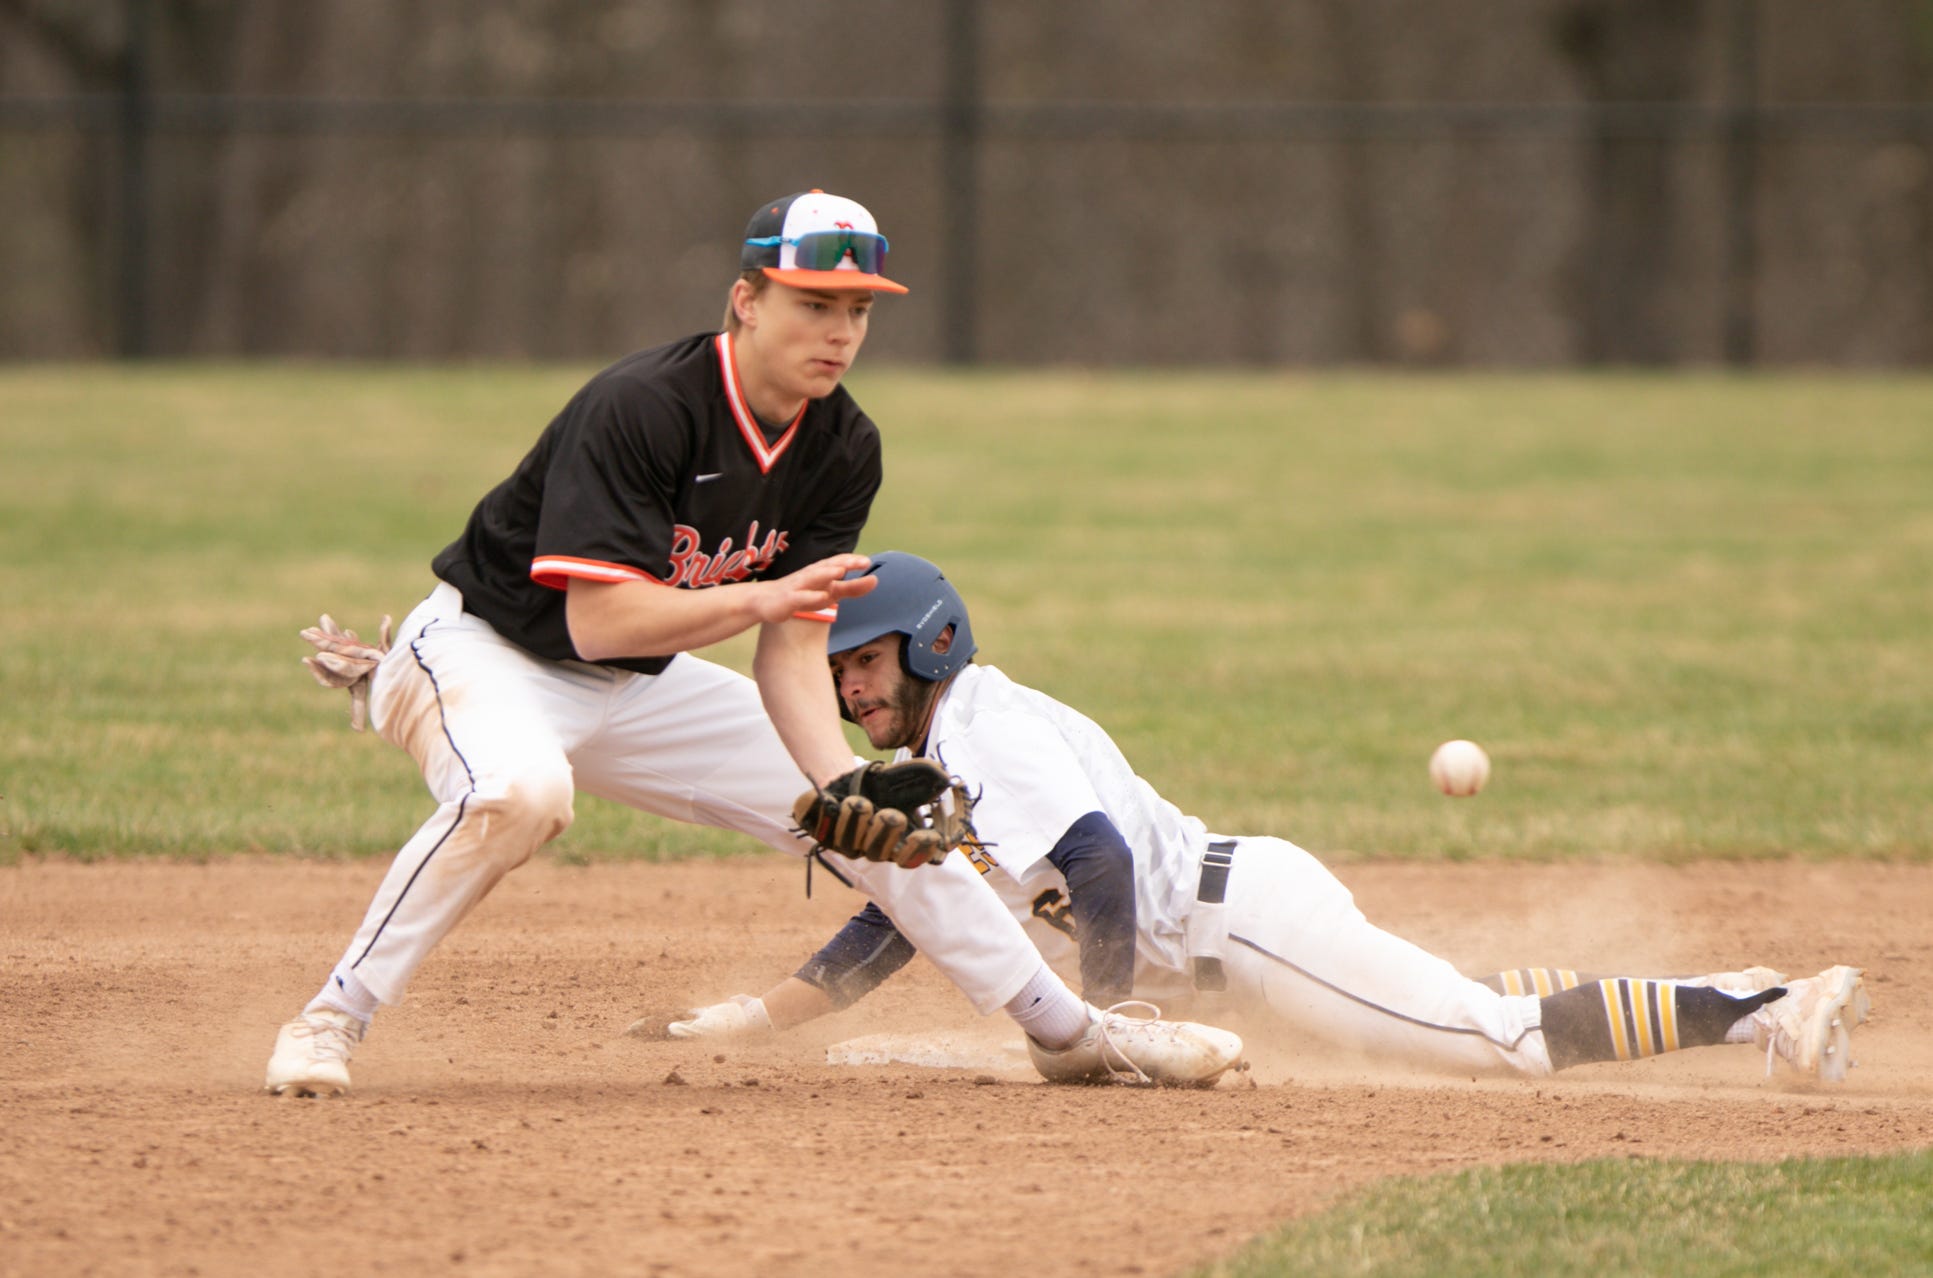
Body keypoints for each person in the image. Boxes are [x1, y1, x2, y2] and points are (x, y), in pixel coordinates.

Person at [266, 193, 1244, 1097]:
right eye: (815, 302)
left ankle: (1069, 1034)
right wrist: (764, 594)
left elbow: (788, 653)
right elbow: (596, 621)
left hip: (635, 686)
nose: (840, 332)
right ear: (745, 300)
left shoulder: (841, 447)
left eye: (858, 311)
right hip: (490, 652)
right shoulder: (643, 407)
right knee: (522, 795)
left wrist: (836, 790)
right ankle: (328, 1020)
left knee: (900, 825)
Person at [663, 551, 1873, 1085]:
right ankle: (1741, 991)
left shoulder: (982, 725)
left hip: (1241, 925)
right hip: (1233, 937)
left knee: (1486, 1039)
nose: (846, 689)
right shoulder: (936, 754)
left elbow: (1092, 857)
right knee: (1453, 1003)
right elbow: (904, 918)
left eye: (864, 663)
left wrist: (1105, 1022)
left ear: (928, 645)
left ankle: (1766, 1009)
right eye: (840, 673)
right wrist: (754, 1020)